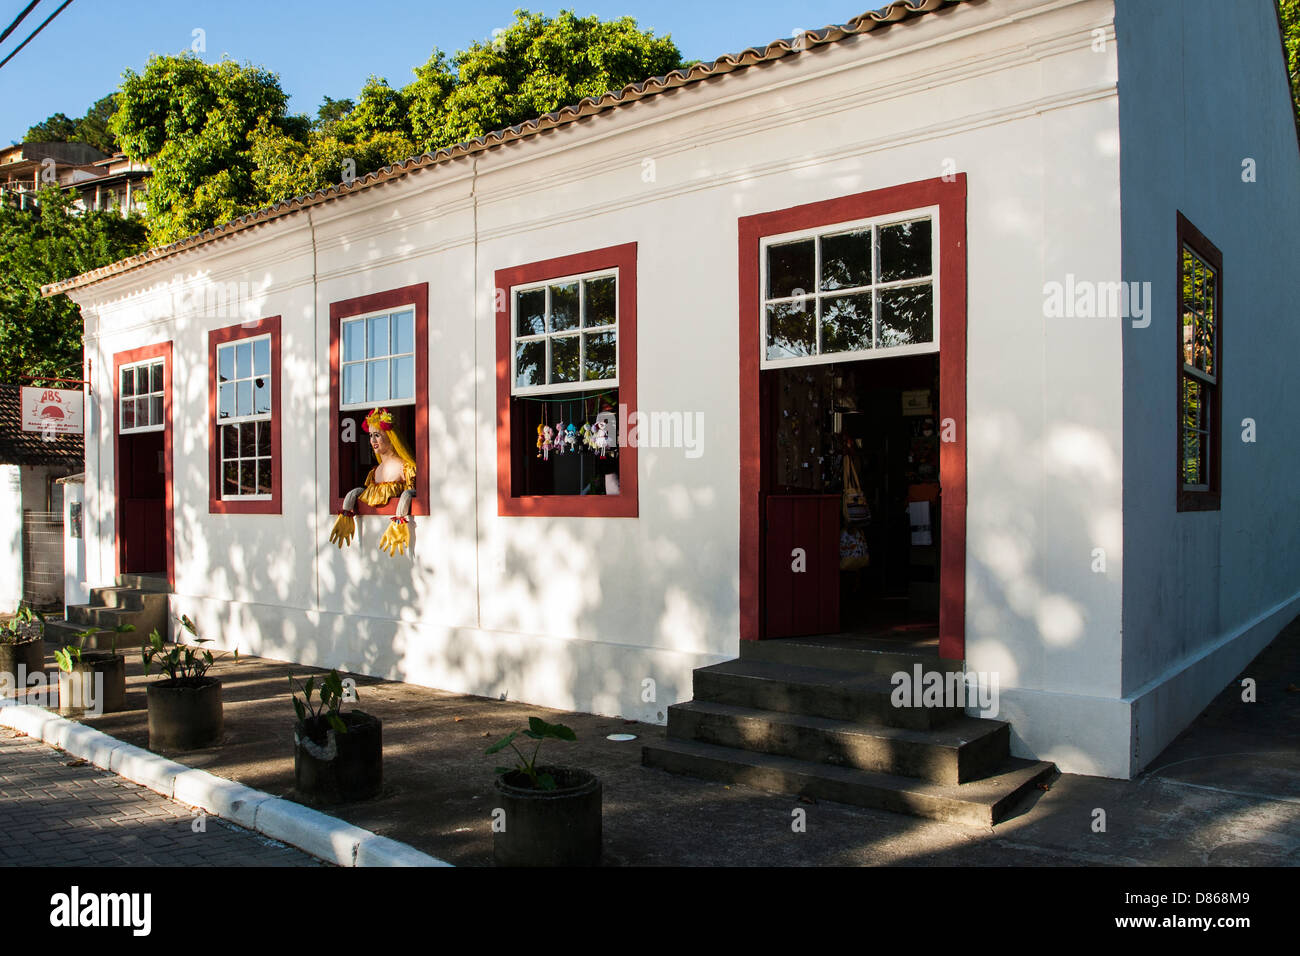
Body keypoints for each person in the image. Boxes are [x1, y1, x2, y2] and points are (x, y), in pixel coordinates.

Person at [328, 408, 416, 556]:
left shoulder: (404, 467)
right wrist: (349, 504)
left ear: (390, 436)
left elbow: (413, 492)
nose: (372, 441)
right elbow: (369, 494)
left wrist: (404, 503)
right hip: (372, 539)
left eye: (377, 435)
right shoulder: (375, 472)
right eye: (370, 436)